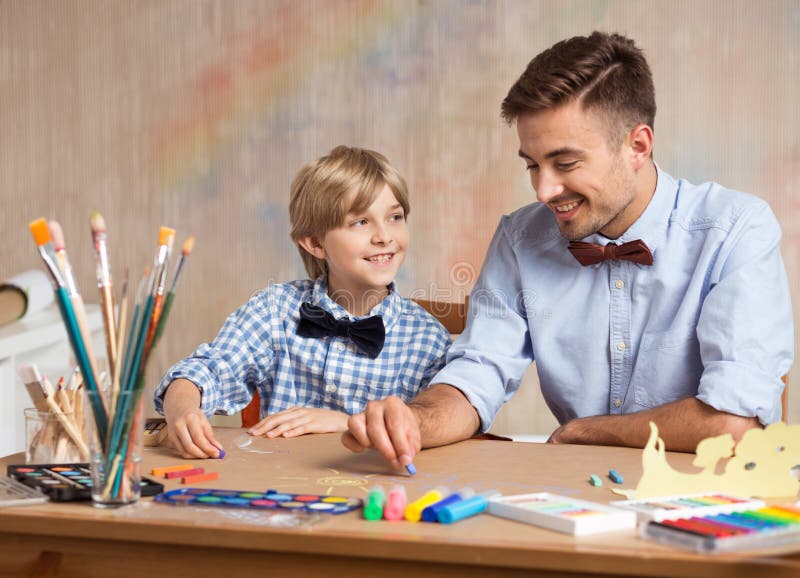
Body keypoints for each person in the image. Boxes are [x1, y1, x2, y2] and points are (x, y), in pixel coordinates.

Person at [342, 31, 794, 471]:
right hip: (580, 495)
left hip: (712, 498)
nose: (544, 190)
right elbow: (478, 373)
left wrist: (588, 431)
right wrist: (414, 420)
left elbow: (735, 424)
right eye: (532, 165)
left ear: (637, 146)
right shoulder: (521, 238)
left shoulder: (736, 229)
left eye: (565, 163)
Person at [156, 145, 451, 458]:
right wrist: (183, 408)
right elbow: (206, 371)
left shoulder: (427, 340)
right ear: (315, 243)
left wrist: (346, 423)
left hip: (380, 494)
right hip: (281, 493)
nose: (384, 236)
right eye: (360, 222)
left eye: (394, 217)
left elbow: (438, 432)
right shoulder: (274, 311)